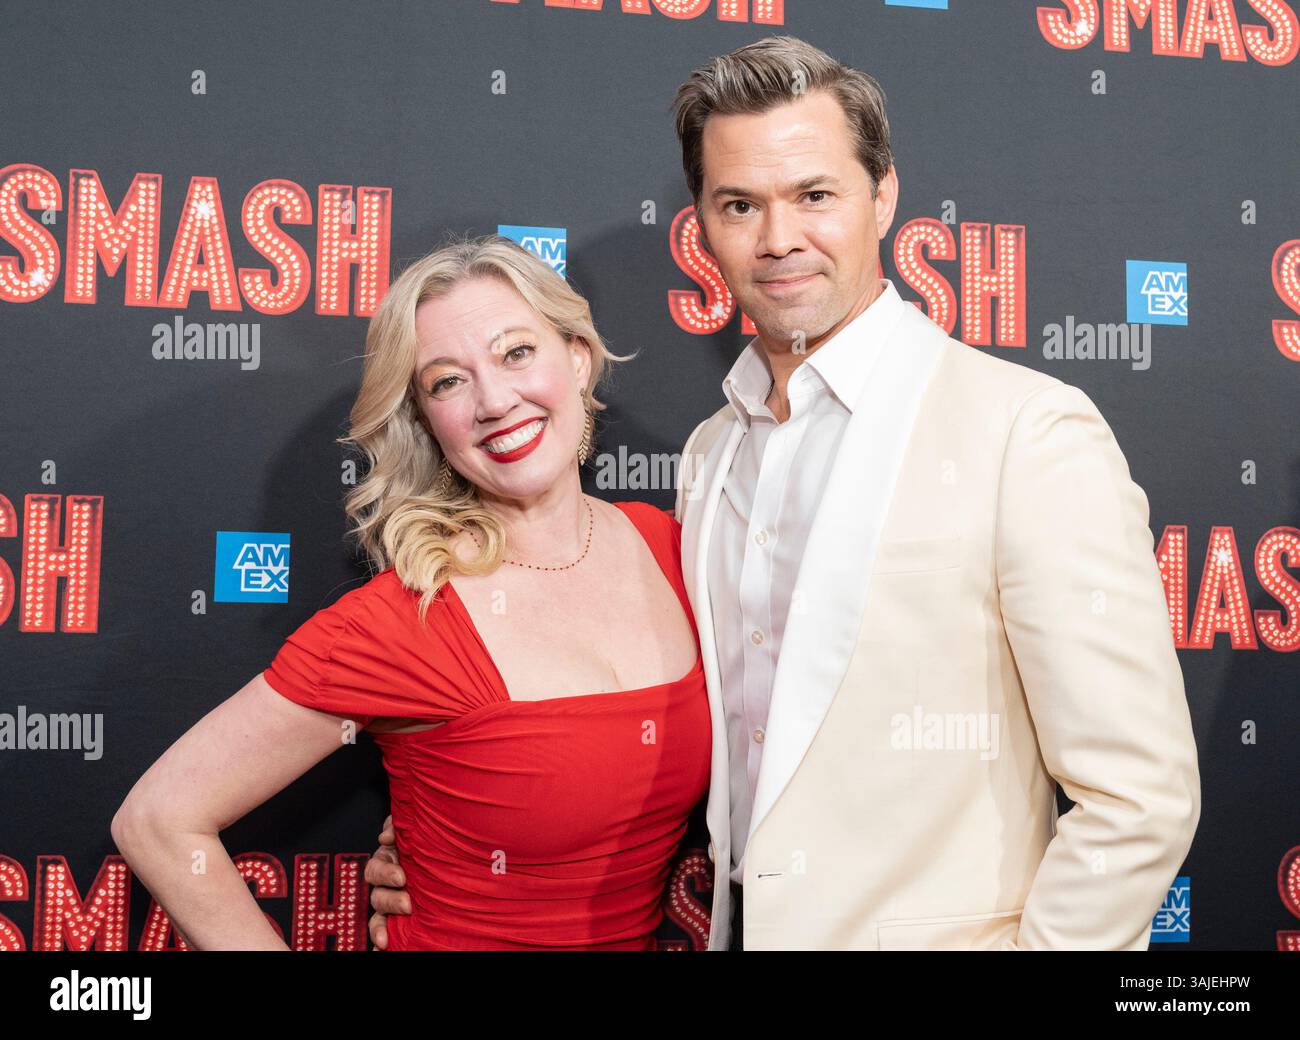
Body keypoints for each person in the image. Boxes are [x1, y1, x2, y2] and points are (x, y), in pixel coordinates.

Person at [367, 35, 1201, 951]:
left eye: (815, 195)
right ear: (703, 226)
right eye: (740, 205)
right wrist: (468, 845)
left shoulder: (1025, 431)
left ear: (883, 197)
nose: (778, 239)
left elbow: (1139, 797)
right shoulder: (710, 452)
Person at [110, 235, 712, 950]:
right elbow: (158, 821)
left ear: (577, 359)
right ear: (425, 419)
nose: (494, 400)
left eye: (517, 352)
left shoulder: (682, 549)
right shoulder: (403, 622)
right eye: (448, 381)